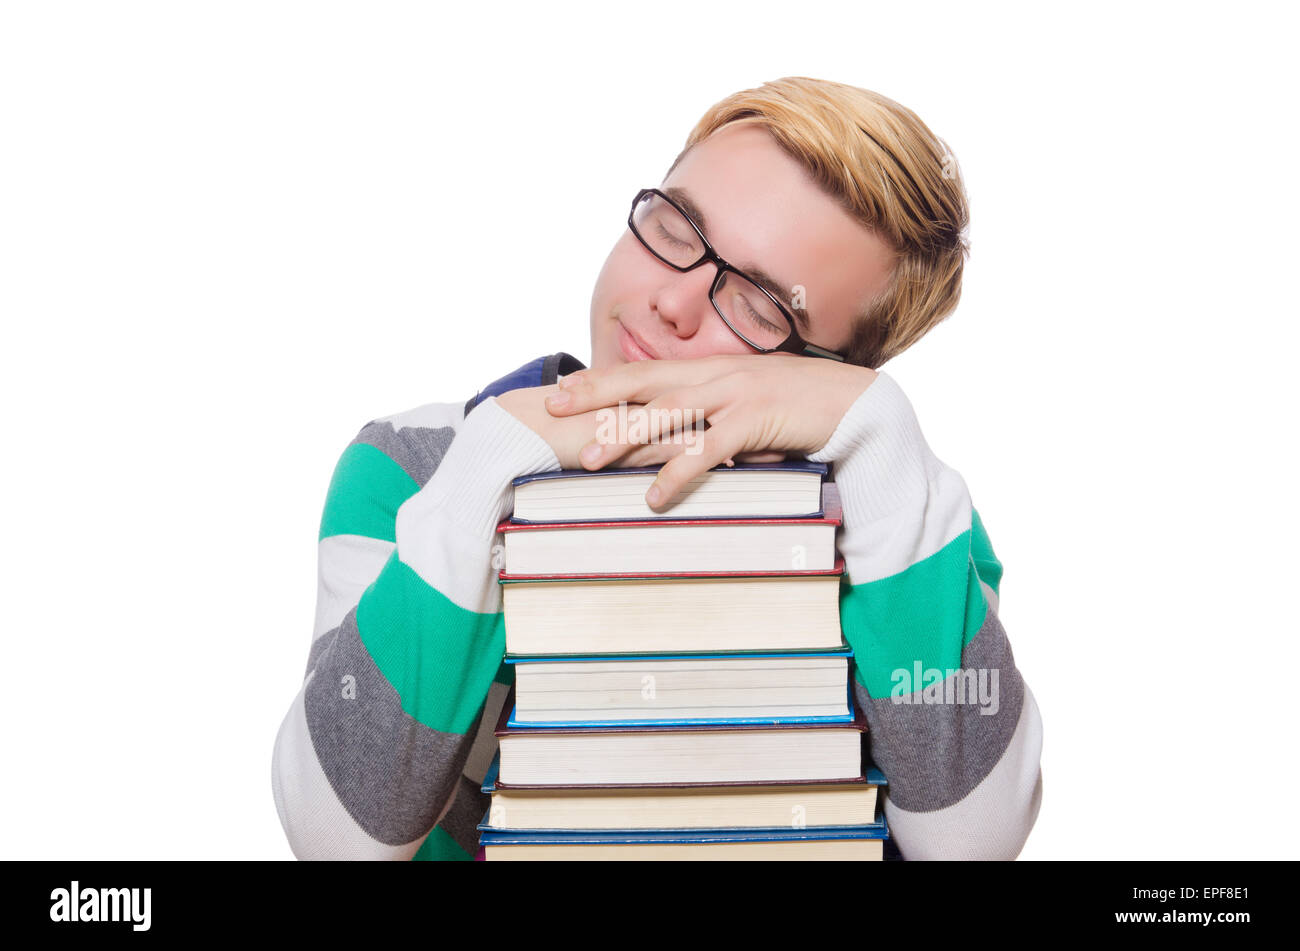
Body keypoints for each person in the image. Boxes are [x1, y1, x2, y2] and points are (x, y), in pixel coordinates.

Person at [271, 76, 1043, 861]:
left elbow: (969, 845)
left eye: (759, 303)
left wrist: (878, 431)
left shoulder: (904, 515)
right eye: (675, 229)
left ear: (830, 372)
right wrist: (486, 469)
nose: (674, 303)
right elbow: (339, 842)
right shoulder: (416, 467)